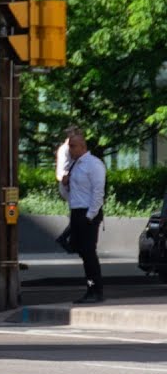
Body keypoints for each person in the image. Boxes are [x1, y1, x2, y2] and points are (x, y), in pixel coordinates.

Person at [60, 130, 106, 304]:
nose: (70, 150)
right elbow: (68, 194)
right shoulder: (74, 165)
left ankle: (95, 289)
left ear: (82, 146)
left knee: (88, 253)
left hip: (88, 212)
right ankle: (91, 288)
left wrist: (90, 216)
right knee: (82, 252)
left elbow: (98, 192)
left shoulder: (93, 164)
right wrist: (64, 184)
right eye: (69, 146)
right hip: (76, 210)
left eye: (73, 146)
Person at [53, 125, 79, 253]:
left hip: (69, 183)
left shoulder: (67, 148)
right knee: (78, 214)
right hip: (68, 183)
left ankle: (71, 242)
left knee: (77, 214)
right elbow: (64, 169)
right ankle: (63, 238)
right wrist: (67, 183)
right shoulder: (67, 149)